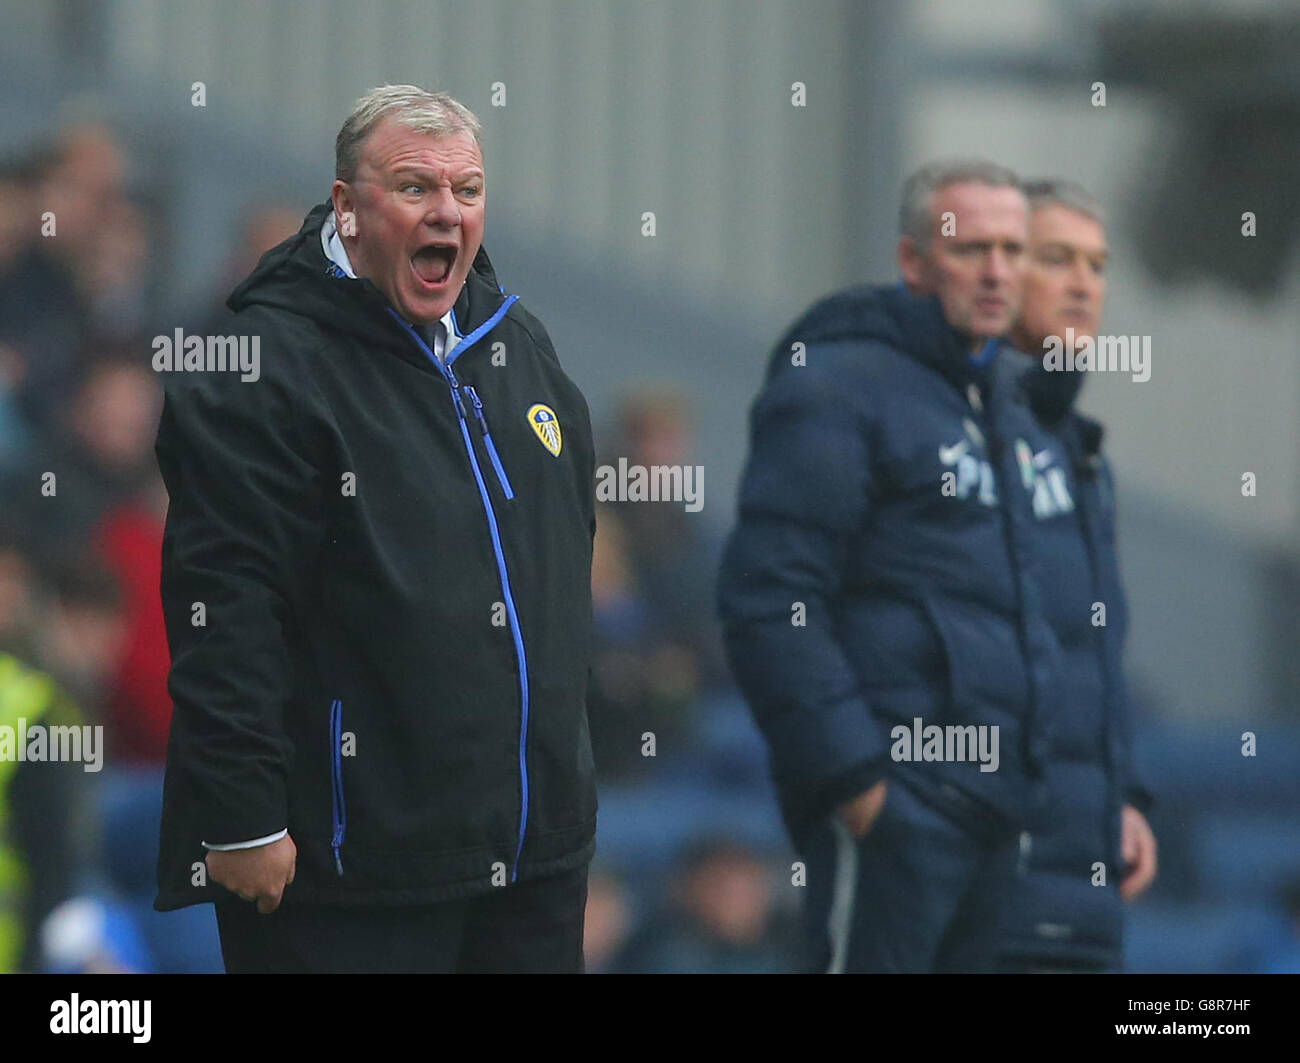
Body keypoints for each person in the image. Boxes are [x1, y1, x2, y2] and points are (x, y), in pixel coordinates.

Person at [153, 85, 598, 973]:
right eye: (415, 188)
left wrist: (563, 797)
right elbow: (227, 606)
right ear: (349, 208)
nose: (447, 212)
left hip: (529, 860)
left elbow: (561, 572)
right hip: (350, 871)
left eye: (467, 191)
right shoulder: (266, 369)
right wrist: (240, 814)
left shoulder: (520, 348)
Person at [718, 159, 1061, 973]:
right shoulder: (838, 384)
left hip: (999, 805)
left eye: (1014, 250)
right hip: (898, 802)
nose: (997, 271)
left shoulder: (1002, 402)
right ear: (913, 261)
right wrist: (860, 784)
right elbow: (770, 595)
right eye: (972, 247)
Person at [1000, 179, 1156, 972]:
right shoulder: (955, 436)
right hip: (987, 881)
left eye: (1097, 264)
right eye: (1055, 258)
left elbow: (1089, 658)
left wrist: (1124, 796)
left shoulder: (1084, 454)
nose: (1083, 283)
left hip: (1086, 876)